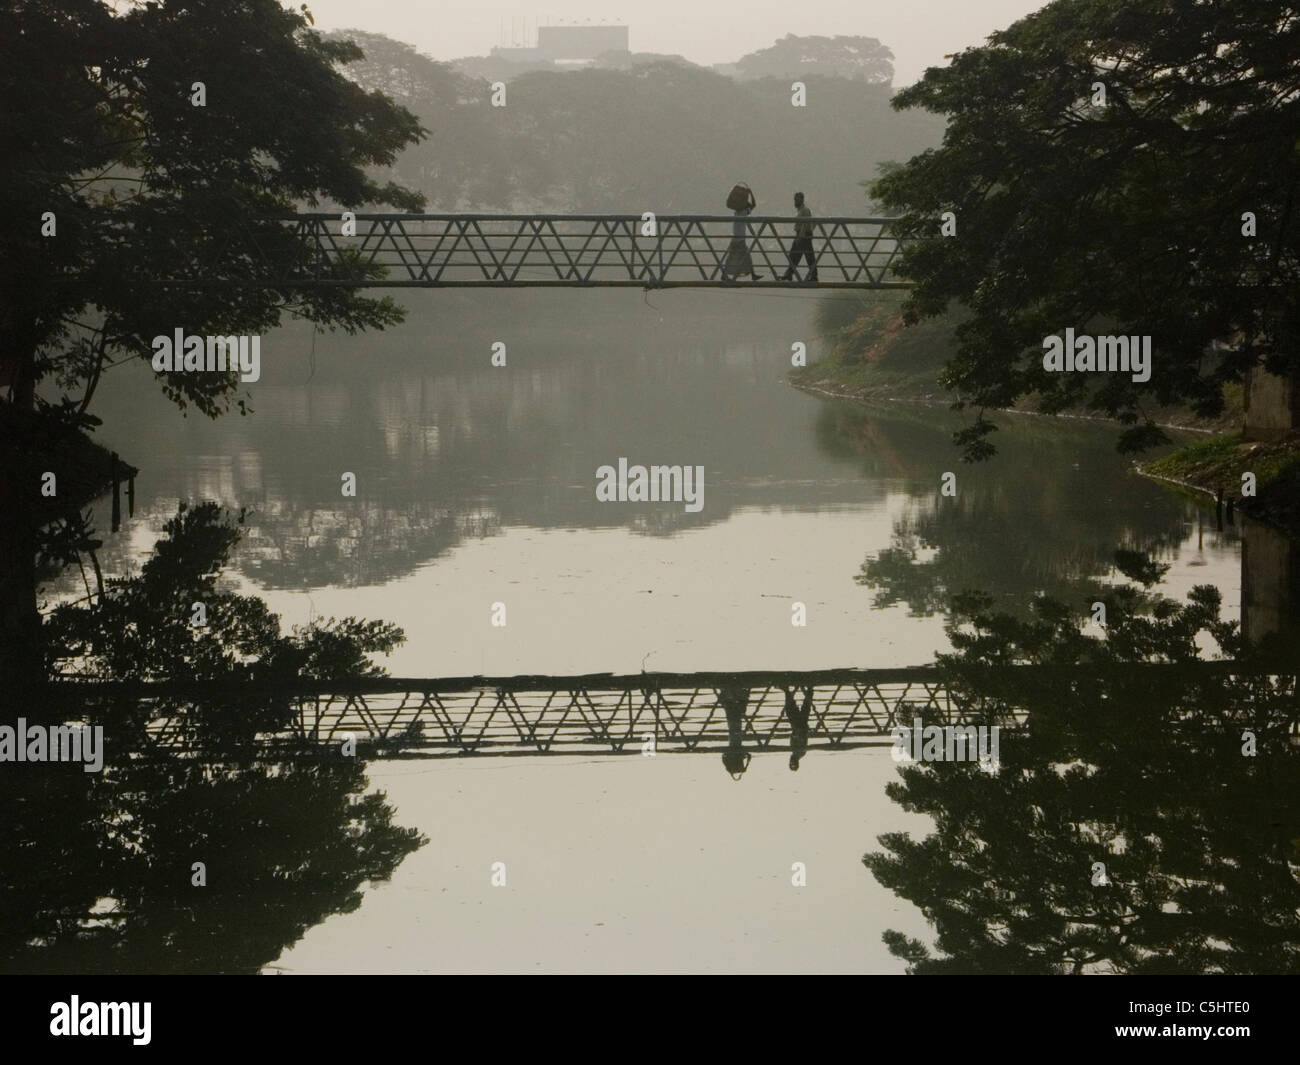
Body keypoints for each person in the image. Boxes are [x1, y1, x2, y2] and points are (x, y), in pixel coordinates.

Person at [721, 185, 764, 282]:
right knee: (744, 255)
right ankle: (752, 275)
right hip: (740, 239)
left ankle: (725, 275)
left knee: (734, 256)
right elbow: (754, 205)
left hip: (736, 237)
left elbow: (751, 205)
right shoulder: (744, 212)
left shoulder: (737, 212)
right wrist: (751, 192)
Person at [780, 191, 818, 283]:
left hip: (803, 235)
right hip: (803, 235)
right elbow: (812, 223)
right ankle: (790, 274)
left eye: (797, 200)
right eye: (795, 200)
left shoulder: (804, 210)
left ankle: (790, 274)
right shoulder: (802, 210)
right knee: (800, 255)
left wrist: (800, 237)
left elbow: (805, 224)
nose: (795, 202)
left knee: (797, 255)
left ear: (801, 200)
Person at [719, 684, 752, 779]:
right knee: (733, 717)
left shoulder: (738, 762)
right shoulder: (730, 766)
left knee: (735, 716)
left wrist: (746, 764)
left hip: (736, 739)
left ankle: (731, 691)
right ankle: (730, 691)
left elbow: (749, 756)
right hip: (733, 739)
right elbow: (723, 756)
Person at [784, 686, 811, 771]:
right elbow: (802, 738)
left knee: (804, 708)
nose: (790, 761)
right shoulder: (798, 753)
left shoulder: (799, 753)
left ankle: (810, 690)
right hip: (799, 727)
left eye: (790, 763)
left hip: (800, 728)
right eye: (792, 763)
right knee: (791, 710)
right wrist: (796, 734)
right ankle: (786, 691)